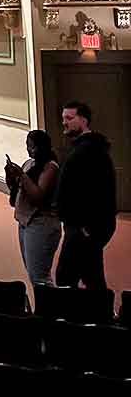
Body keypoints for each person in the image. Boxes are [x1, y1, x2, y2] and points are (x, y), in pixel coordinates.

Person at [54, 101, 117, 290]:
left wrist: (87, 227)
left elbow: (98, 191)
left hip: (84, 227)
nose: (64, 122)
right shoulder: (82, 148)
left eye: (69, 118)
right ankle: (97, 315)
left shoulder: (90, 150)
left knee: (66, 277)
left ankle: (84, 316)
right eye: (63, 118)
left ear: (83, 120)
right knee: (91, 275)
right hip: (80, 226)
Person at [5, 130, 61, 287]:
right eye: (28, 146)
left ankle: (48, 309)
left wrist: (22, 175)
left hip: (41, 223)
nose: (29, 150)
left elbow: (38, 197)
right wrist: (11, 176)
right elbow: (17, 192)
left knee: (40, 277)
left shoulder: (50, 167)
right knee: (32, 272)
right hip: (25, 222)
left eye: (33, 147)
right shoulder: (29, 163)